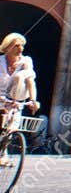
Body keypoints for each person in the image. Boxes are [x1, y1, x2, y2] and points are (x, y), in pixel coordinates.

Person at [0, 33, 38, 166]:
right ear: (7, 47)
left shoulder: (26, 61)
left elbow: (30, 82)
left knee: (11, 128)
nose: (20, 48)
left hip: (16, 98)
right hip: (1, 97)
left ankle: (3, 153)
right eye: (16, 45)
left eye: (22, 45)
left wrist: (33, 100)